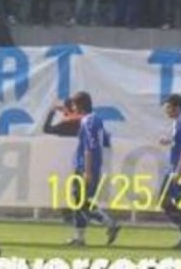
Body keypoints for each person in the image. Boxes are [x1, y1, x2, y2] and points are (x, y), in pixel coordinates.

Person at [67, 91, 121, 247]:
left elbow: (90, 147)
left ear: (80, 105)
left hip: (86, 166)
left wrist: (88, 170)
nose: (72, 107)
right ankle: (79, 238)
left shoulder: (88, 122)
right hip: (91, 165)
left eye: (74, 105)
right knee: (80, 201)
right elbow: (106, 140)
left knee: (82, 202)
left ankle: (109, 223)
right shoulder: (96, 120)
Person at [160, 94, 181, 249]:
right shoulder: (179, 122)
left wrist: (179, 171)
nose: (166, 111)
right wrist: (171, 141)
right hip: (176, 168)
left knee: (171, 202)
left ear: (177, 108)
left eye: (168, 108)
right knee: (174, 203)